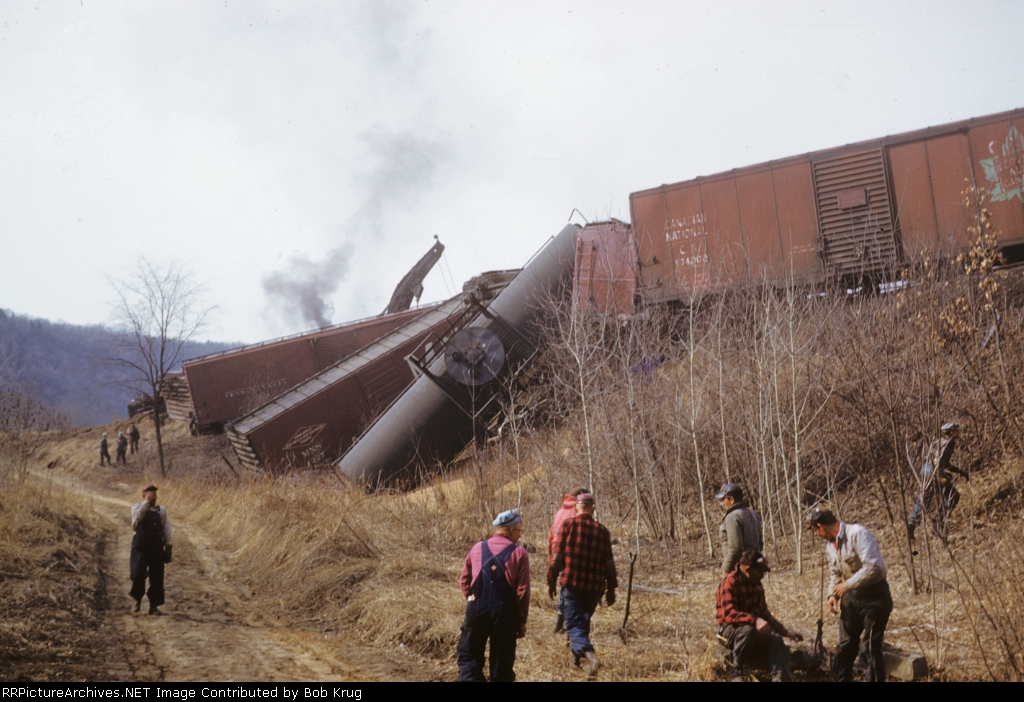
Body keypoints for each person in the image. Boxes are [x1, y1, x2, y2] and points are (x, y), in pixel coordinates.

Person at [807, 507, 892, 682]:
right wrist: (832, 595)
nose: (816, 534)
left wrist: (848, 584)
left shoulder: (858, 534)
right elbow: (835, 574)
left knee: (868, 647)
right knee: (845, 647)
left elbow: (875, 567)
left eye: (815, 530)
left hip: (875, 597)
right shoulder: (830, 547)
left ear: (820, 526)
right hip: (851, 599)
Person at [547, 493, 617, 677]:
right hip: (595, 588)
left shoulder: (568, 525)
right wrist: (612, 589)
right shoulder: (602, 531)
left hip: (572, 583)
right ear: (592, 508)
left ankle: (592, 657)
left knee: (573, 624)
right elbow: (609, 562)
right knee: (582, 621)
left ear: (577, 508)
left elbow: (557, 557)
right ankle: (576, 659)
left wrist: (551, 580)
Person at [457, 509, 531, 682]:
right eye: (519, 531)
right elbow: (523, 591)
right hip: (504, 614)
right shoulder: (520, 553)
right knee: (502, 665)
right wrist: (521, 621)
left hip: (476, 609)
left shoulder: (477, 548)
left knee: (469, 659)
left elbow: (464, 580)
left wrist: (473, 601)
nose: (520, 535)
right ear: (511, 531)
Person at [715, 549, 803, 681]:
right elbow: (729, 614)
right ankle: (736, 671)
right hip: (730, 630)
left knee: (776, 640)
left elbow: (764, 613)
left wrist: (785, 632)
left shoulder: (756, 584)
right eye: (759, 571)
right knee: (748, 630)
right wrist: (754, 620)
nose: (762, 576)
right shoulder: (729, 582)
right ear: (748, 570)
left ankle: (779, 675)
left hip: (752, 629)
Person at [908, 422, 968, 539]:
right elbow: (939, 463)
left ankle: (912, 524)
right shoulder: (948, 445)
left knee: (924, 498)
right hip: (932, 472)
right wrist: (941, 476)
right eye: (957, 430)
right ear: (951, 433)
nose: (959, 433)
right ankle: (938, 522)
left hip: (925, 470)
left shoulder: (939, 441)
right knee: (953, 495)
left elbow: (940, 461)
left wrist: (959, 471)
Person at [130, 484, 173, 615]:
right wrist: (146, 503)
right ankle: (137, 600)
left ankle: (154, 606)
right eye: (149, 493)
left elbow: (167, 529)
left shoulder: (161, 510)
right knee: (138, 574)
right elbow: (135, 521)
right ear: (143, 495)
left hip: (156, 547)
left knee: (157, 577)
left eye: (154, 494)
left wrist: (169, 547)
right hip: (140, 547)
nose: (152, 496)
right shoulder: (137, 507)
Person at [549, 488, 587, 634]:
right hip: (569, 552)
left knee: (565, 587)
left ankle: (561, 622)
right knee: (569, 589)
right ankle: (564, 623)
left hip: (557, 551)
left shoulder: (560, 511)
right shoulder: (577, 511)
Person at [716, 483, 763, 575]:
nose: (722, 504)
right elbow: (760, 543)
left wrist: (726, 570)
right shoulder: (752, 513)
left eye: (723, 500)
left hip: (738, 571)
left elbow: (735, 548)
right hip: (753, 570)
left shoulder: (732, 517)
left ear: (731, 500)